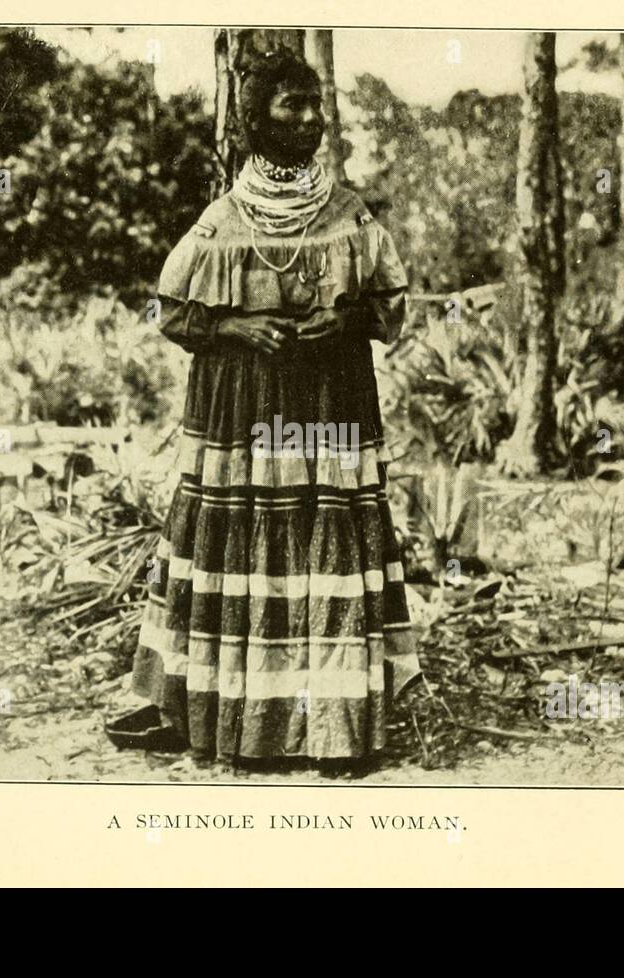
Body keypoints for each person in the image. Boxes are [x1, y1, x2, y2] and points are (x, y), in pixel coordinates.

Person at [126, 46, 420, 769]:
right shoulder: (223, 222)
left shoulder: (350, 216)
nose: (311, 119)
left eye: (316, 104)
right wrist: (235, 327)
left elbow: (389, 306)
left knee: (326, 541)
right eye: (292, 105)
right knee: (249, 548)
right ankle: (245, 725)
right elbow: (173, 312)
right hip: (244, 413)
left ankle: (336, 729)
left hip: (330, 405)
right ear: (255, 119)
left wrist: (344, 321)